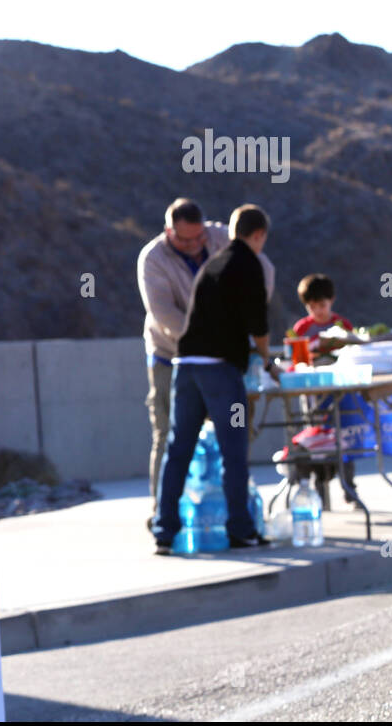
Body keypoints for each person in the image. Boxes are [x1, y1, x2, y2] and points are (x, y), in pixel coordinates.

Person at [151, 204, 279, 554]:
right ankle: (241, 529)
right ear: (259, 235)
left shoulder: (213, 264)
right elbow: (258, 324)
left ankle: (164, 532)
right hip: (220, 371)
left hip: (186, 366)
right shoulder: (248, 265)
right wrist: (266, 360)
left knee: (179, 448)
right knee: (234, 449)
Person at [290, 273, 359, 507]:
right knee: (316, 440)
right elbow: (295, 360)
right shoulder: (302, 329)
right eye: (312, 306)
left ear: (331, 301)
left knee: (344, 437)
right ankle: (319, 493)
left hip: (340, 392)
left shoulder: (342, 326)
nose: (318, 311)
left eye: (322, 305)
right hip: (312, 393)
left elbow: (353, 353)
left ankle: (350, 487)